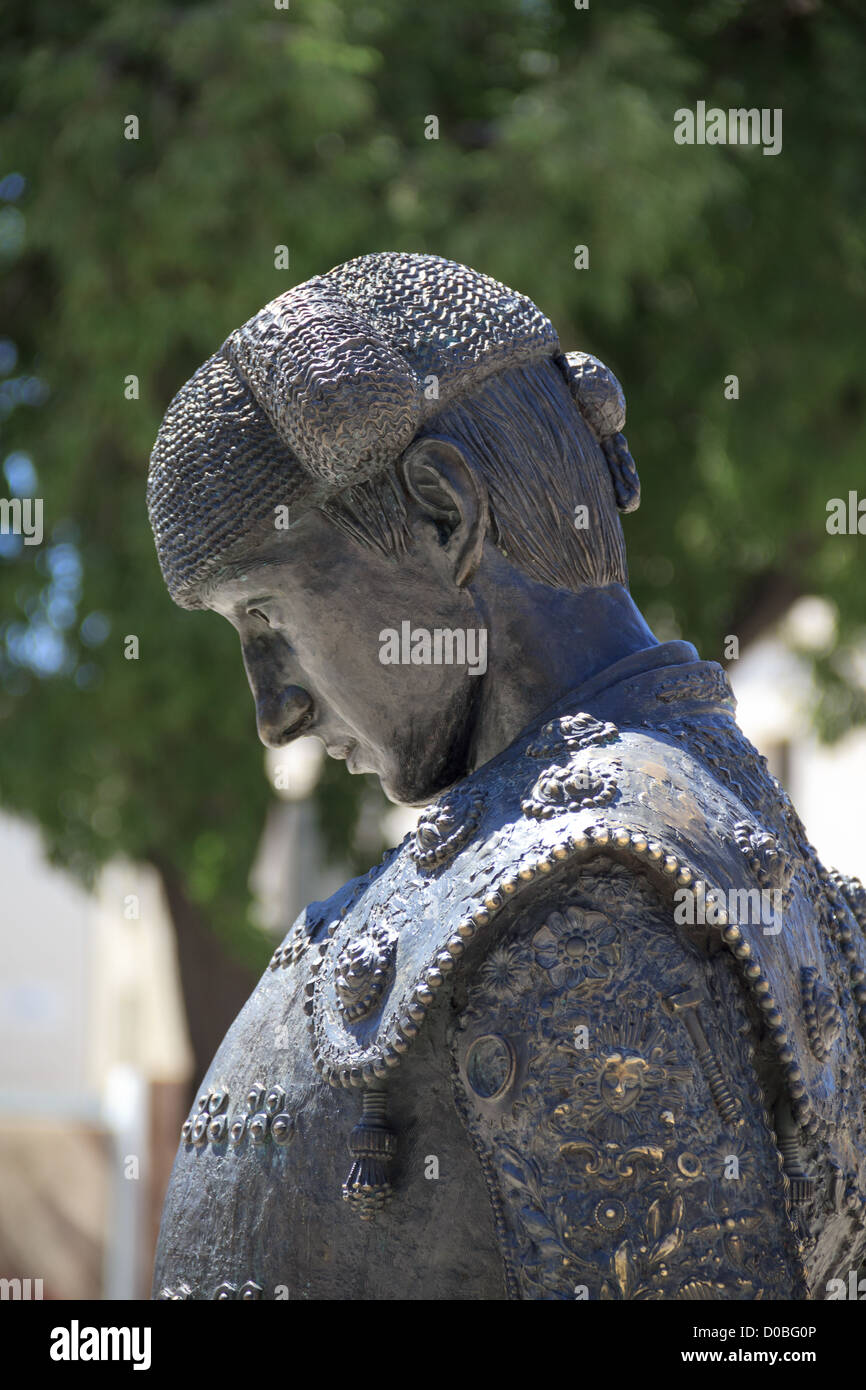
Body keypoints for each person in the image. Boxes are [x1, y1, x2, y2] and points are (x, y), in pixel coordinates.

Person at [146, 252, 866, 1300]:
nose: (276, 711)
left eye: (265, 615)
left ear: (443, 517)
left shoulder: (574, 902)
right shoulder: (777, 875)